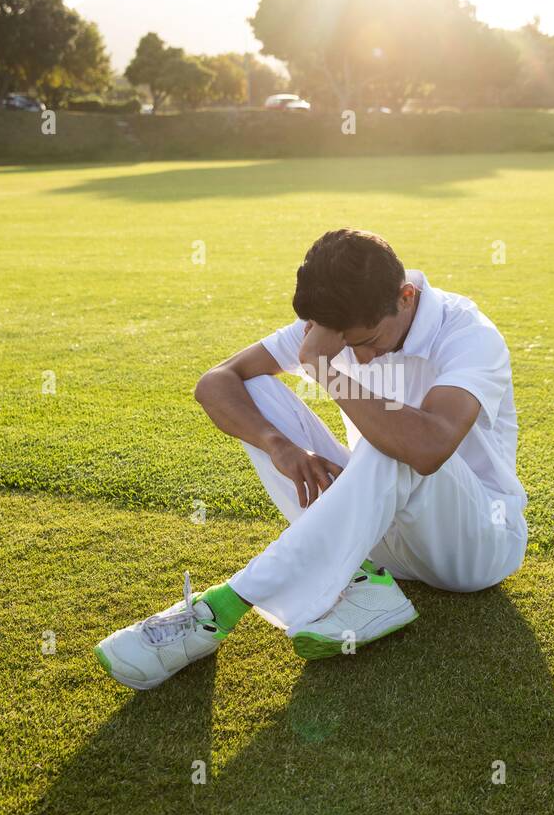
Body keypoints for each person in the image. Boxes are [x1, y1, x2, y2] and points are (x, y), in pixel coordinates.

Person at [95, 228, 527, 689]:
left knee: (396, 443)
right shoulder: (338, 321)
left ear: (405, 296)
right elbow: (215, 382)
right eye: (342, 346)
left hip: (476, 546)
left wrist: (322, 368)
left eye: (368, 340)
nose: (359, 357)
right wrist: (279, 445)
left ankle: (220, 608)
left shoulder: (468, 333)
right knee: (254, 389)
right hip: (377, 531)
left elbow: (427, 448)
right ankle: (365, 582)